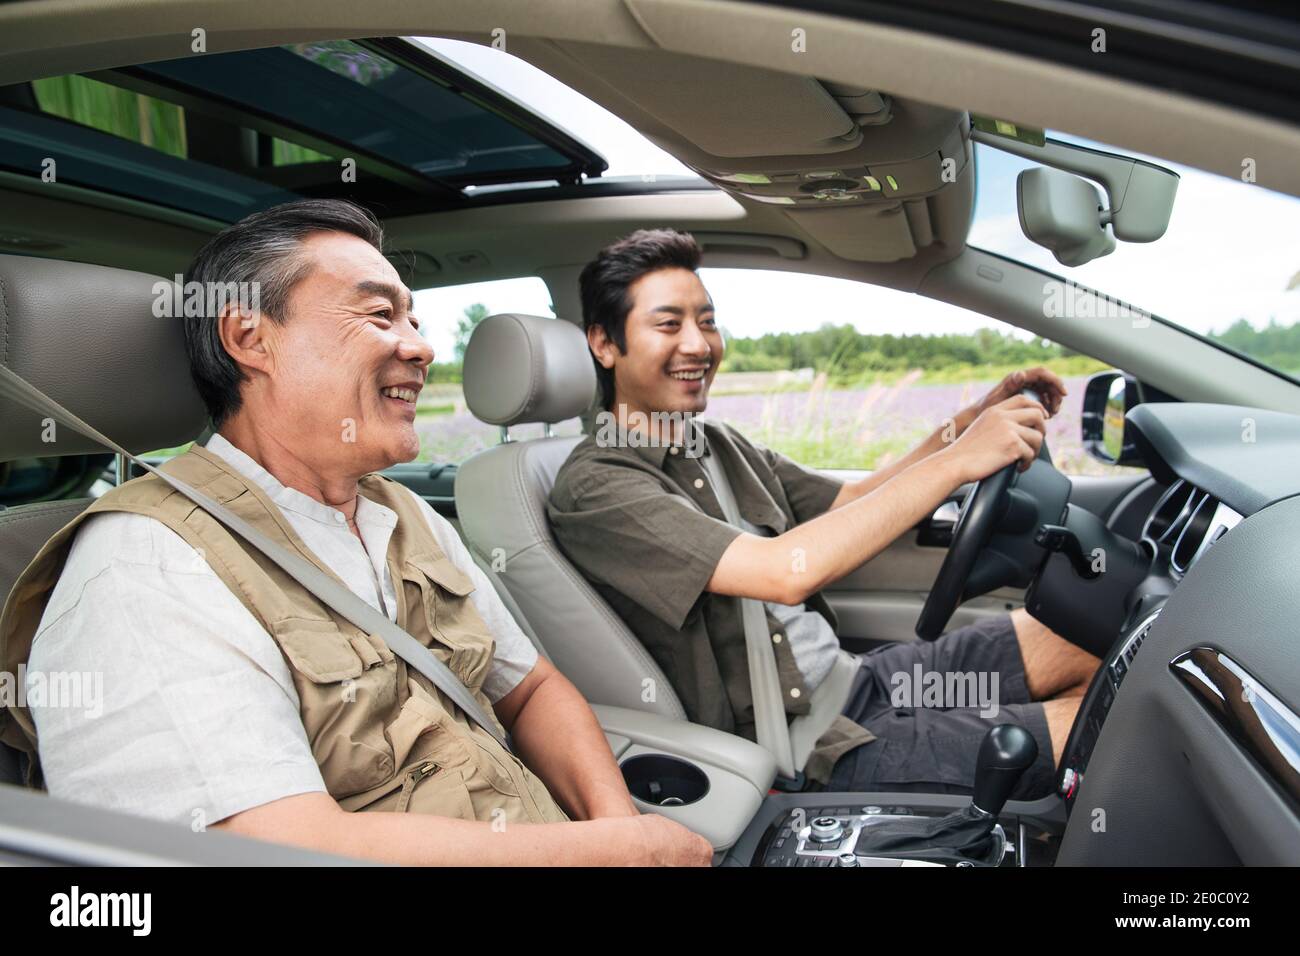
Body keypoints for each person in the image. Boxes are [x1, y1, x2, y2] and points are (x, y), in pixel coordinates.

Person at [0, 202, 712, 866]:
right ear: (250, 336)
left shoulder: (403, 513)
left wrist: (617, 830)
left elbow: (529, 690)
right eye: (380, 315)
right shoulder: (145, 566)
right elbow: (275, 853)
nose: (423, 348)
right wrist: (619, 851)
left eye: (413, 319)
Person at [547, 228, 1101, 798]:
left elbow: (852, 503)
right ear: (604, 344)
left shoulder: (716, 444)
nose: (698, 345)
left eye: (707, 321)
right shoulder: (597, 487)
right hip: (815, 746)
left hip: (865, 683)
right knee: (1106, 732)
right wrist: (961, 461)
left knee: (1080, 639)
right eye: (669, 325)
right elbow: (783, 572)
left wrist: (965, 424)